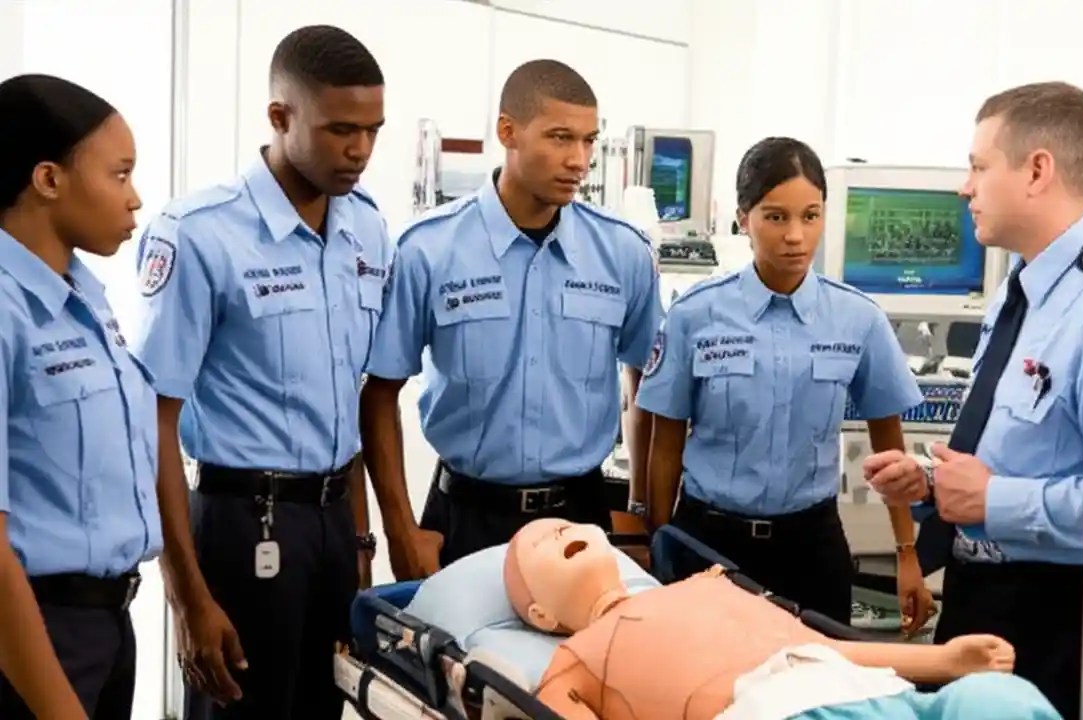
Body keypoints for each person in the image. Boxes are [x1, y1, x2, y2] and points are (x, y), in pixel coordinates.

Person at [863, 81, 1083, 720]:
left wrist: (990, 500)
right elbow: (1026, 451)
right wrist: (935, 485)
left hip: (1067, 618)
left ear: (1037, 170)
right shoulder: (1022, 296)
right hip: (986, 599)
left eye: (979, 166)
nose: (965, 187)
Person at [133, 25, 391, 719]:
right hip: (243, 523)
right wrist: (186, 598)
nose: (359, 150)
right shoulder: (201, 234)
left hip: (334, 524)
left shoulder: (366, 227)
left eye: (373, 130)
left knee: (322, 707)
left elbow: (353, 398)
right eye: (341, 129)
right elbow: (153, 421)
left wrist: (361, 544)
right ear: (280, 117)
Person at [361, 59, 663, 576]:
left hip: (580, 521)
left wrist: (640, 512)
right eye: (561, 138)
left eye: (589, 141)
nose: (579, 160)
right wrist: (400, 530)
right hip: (467, 518)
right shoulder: (427, 250)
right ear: (508, 132)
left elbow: (645, 383)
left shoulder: (622, 252)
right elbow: (379, 393)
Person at [635, 137, 933, 629]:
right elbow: (665, 445)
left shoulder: (857, 319)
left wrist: (907, 554)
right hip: (709, 544)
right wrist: (662, 542)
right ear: (743, 218)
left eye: (810, 216)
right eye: (775, 217)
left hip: (810, 547)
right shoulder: (696, 314)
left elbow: (890, 447)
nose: (795, 235)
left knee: (813, 691)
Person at [502, 518, 1063, 720]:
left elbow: (820, 645)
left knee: (999, 703)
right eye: (539, 543)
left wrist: (942, 661)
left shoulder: (706, 585)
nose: (558, 529)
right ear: (539, 612)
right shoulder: (572, 659)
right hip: (765, 711)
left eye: (565, 524)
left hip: (878, 693)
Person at [0, 74, 161, 719]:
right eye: (119, 175)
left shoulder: (80, 298)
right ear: (48, 179)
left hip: (106, 624)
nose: (135, 198)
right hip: (32, 634)